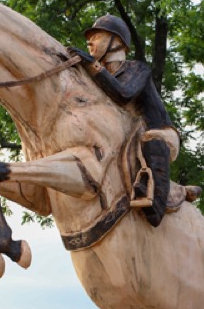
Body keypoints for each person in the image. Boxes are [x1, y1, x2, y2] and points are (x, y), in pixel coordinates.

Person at [68, 15, 181, 226]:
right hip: (127, 133)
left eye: (97, 36)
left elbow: (124, 93)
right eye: (90, 38)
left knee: (151, 138)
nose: (89, 42)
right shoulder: (97, 76)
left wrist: (92, 66)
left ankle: (155, 203)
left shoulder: (138, 69)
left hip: (159, 132)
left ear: (117, 42)